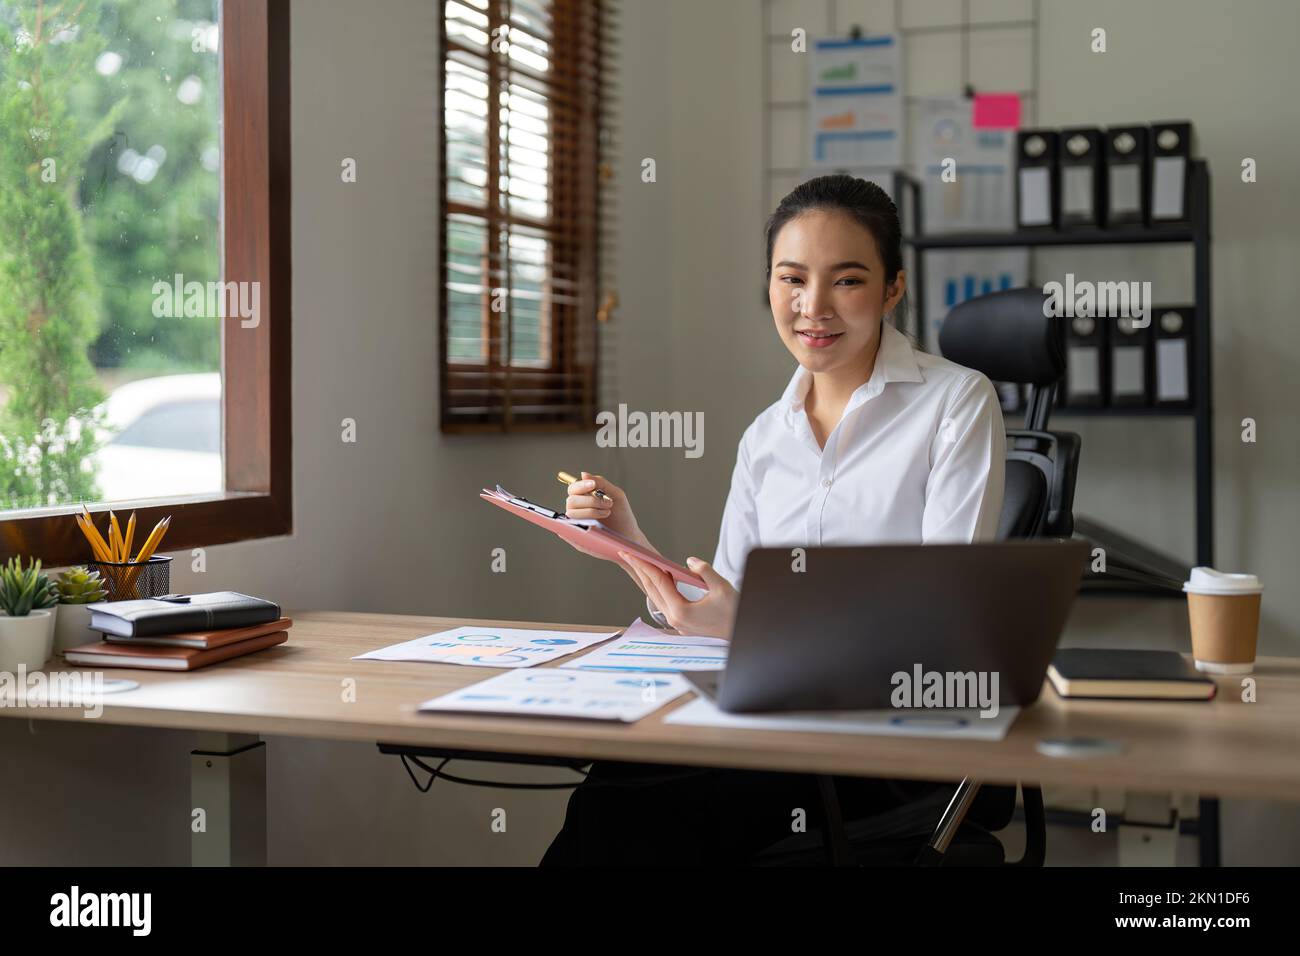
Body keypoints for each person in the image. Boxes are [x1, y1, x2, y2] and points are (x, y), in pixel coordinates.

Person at [541, 174, 1006, 866]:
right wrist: (631, 545)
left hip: (887, 739)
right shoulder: (766, 435)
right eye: (791, 278)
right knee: (612, 788)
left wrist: (754, 625)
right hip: (770, 721)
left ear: (893, 289)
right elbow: (719, 608)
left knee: (629, 814)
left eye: (846, 281)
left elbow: (938, 622)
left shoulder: (956, 403)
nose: (812, 306)